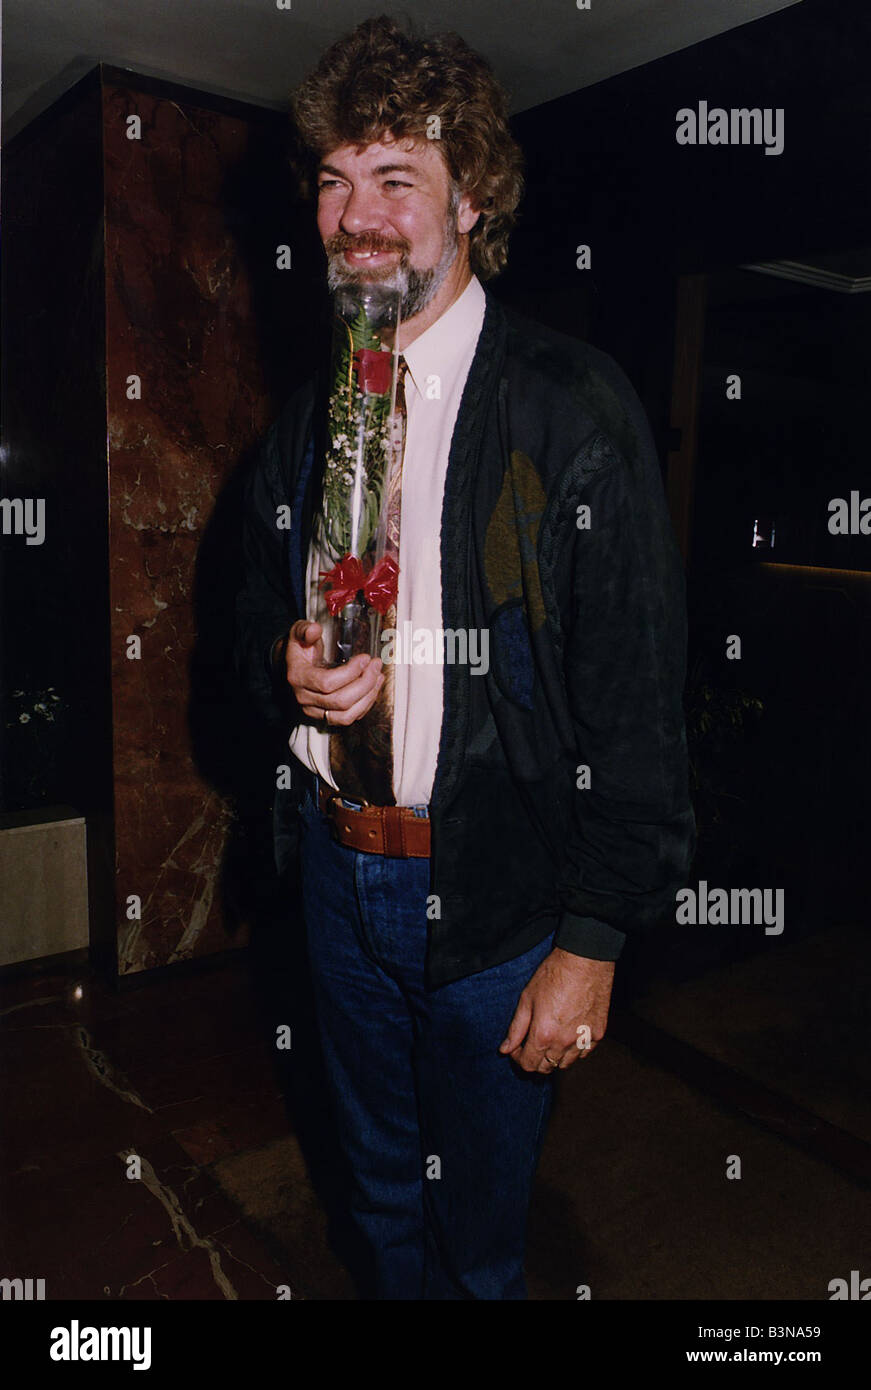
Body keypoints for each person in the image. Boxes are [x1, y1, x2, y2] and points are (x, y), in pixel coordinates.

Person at [234, 14, 694, 1300]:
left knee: (481, 1233)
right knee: (376, 1197)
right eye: (332, 178)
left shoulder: (569, 403)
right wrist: (295, 669)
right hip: (338, 867)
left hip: (495, 891)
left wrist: (592, 939)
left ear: (470, 196)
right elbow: (246, 619)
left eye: (395, 178)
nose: (352, 212)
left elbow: (638, 699)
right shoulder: (319, 406)